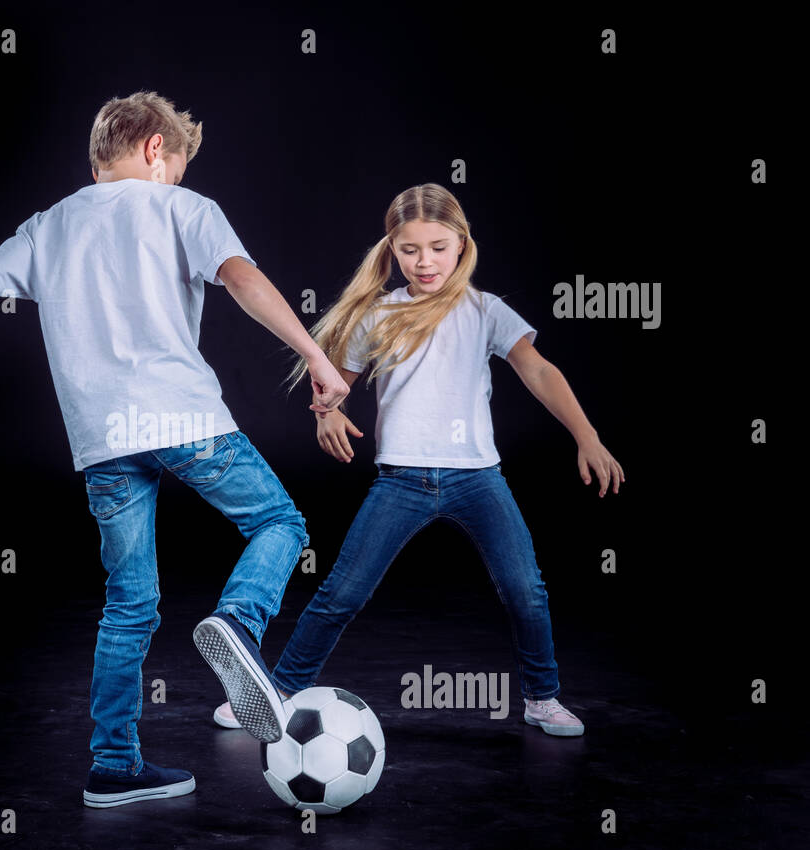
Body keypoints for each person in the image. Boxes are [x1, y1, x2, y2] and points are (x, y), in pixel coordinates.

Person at [0, 91, 350, 807]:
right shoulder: (185, 208)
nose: (176, 179)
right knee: (280, 524)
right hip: (186, 423)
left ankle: (114, 763)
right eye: (176, 166)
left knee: (128, 602)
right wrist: (317, 358)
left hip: (101, 444)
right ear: (156, 151)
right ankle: (239, 621)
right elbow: (241, 278)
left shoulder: (47, 225)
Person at [210, 183, 624, 738]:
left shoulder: (486, 312)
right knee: (341, 594)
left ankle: (542, 697)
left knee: (526, 590)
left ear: (461, 245)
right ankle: (274, 693)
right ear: (392, 249)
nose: (424, 261)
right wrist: (324, 414)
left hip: (478, 478)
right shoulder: (380, 314)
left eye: (438, 246)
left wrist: (586, 434)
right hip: (401, 480)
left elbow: (539, 370)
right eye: (410, 249)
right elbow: (334, 381)